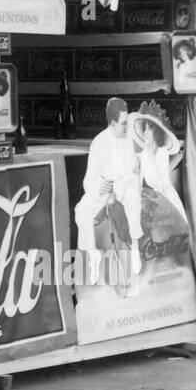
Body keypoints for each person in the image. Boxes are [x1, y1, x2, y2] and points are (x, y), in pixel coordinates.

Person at [74, 97, 143, 284]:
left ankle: (135, 247)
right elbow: (88, 180)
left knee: (133, 197)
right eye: (123, 124)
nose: (127, 127)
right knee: (81, 210)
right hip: (103, 190)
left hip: (123, 187)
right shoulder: (98, 143)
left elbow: (132, 174)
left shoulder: (128, 141)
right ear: (112, 124)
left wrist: (123, 184)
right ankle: (93, 255)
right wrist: (99, 188)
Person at [131, 102, 187, 228]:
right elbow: (138, 183)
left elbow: (161, 184)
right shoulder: (143, 154)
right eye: (144, 128)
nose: (145, 132)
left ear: (156, 132)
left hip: (166, 197)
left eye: (149, 129)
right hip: (150, 197)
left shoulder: (162, 152)